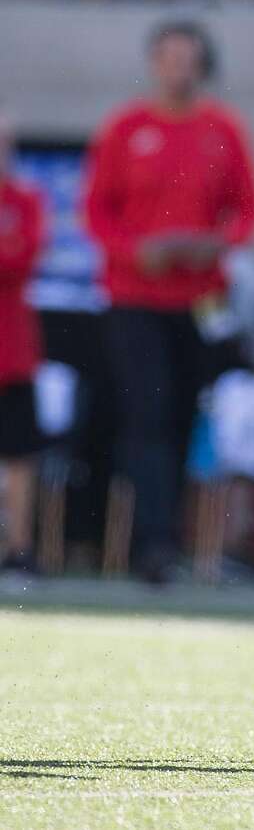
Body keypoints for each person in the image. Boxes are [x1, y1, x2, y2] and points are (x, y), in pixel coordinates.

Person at [83, 21, 254, 582]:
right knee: (147, 416)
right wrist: (137, 252)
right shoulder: (125, 128)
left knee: (185, 416)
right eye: (169, 58)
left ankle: (170, 540)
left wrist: (213, 243)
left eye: (188, 59)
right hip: (134, 297)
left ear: (201, 66)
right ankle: (152, 545)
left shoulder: (223, 129)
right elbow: (95, 212)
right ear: (154, 63)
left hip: (199, 300)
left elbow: (249, 212)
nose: (178, 70)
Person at [0, 108, 47, 580]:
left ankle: (19, 548)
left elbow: (21, 257)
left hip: (11, 350)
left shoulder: (26, 201)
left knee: (18, 455)